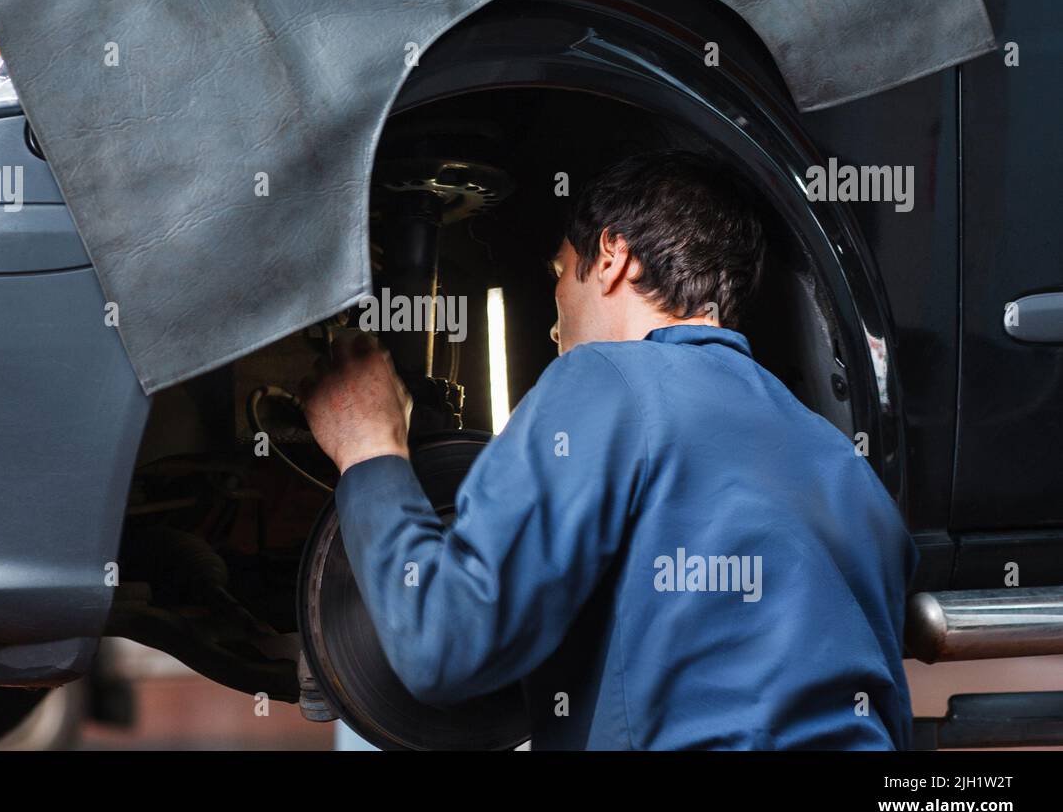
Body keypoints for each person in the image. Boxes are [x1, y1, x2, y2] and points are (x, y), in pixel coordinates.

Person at [302, 150, 917, 750]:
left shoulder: (607, 377)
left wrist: (369, 449)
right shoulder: (846, 470)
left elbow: (446, 643)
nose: (553, 320)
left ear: (612, 256)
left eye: (557, 276)